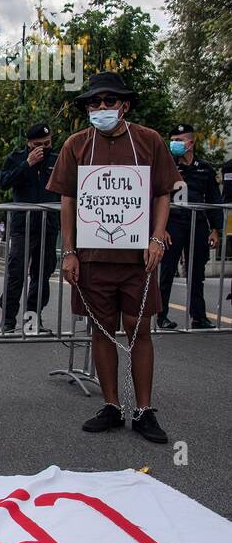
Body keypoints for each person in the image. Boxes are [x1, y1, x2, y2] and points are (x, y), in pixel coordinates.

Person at [48, 72, 180, 443]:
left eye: (109, 101)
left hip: (138, 258)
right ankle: (111, 406)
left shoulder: (149, 140)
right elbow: (68, 200)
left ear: (124, 105)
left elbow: (163, 193)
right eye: (95, 102)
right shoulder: (76, 145)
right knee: (101, 330)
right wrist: (69, 252)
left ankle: (144, 410)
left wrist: (157, 236)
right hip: (92, 258)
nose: (102, 107)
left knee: (140, 330)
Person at [0, 122, 61, 333]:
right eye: (38, 145)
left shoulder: (56, 159)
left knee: (41, 275)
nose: (43, 148)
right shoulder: (16, 158)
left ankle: (32, 320)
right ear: (29, 143)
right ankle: (8, 320)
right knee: (16, 272)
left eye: (47, 143)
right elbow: (4, 182)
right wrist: (27, 164)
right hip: (23, 226)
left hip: (48, 225)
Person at [157, 123, 220, 329]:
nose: (174, 144)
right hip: (173, 224)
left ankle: (198, 317)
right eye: (172, 141)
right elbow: (157, 197)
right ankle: (161, 316)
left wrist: (215, 229)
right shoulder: (167, 166)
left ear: (191, 143)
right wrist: (161, 228)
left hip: (197, 224)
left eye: (179, 140)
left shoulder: (205, 169)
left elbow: (214, 199)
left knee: (196, 273)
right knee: (167, 271)